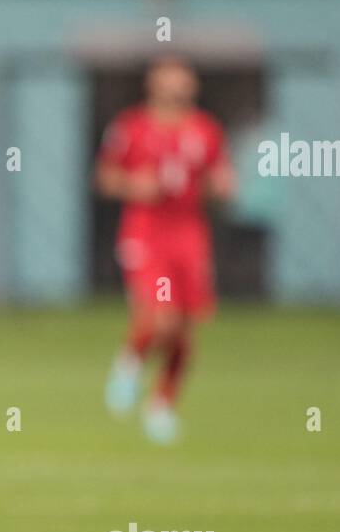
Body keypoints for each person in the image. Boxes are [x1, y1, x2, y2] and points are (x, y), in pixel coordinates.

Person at [96, 57, 235, 444]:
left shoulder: (205, 129)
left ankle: (162, 404)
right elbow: (106, 177)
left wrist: (223, 185)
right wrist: (133, 184)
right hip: (146, 232)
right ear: (154, 82)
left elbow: (216, 176)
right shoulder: (131, 127)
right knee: (161, 317)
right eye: (170, 75)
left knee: (184, 332)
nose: (178, 83)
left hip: (189, 234)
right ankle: (130, 361)